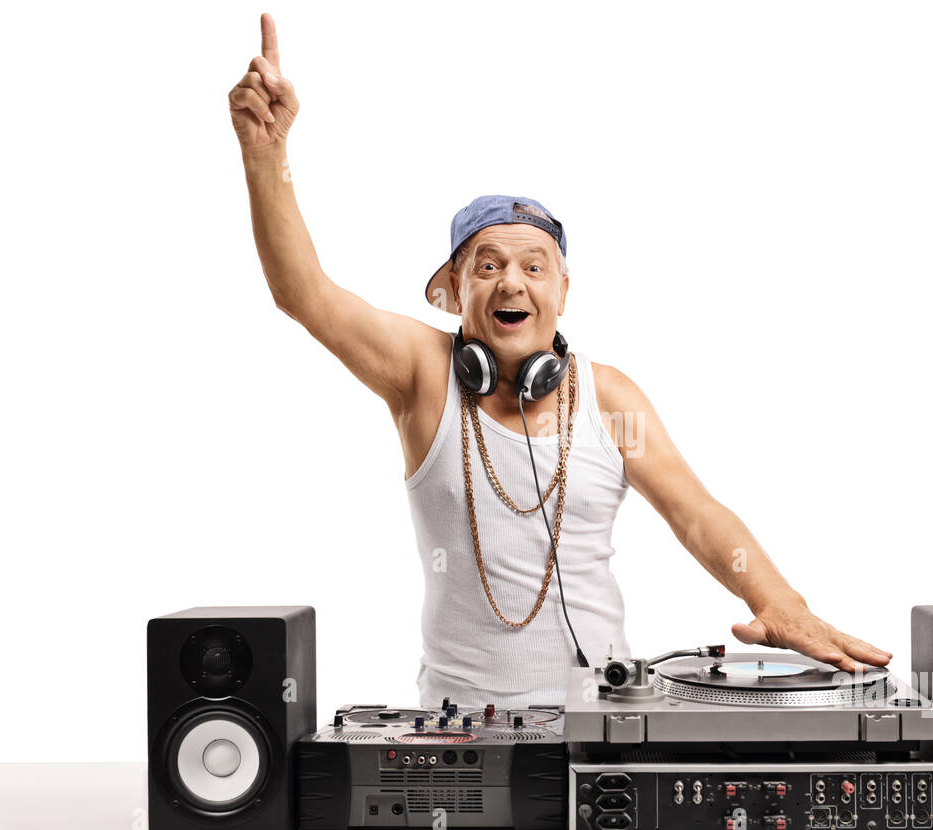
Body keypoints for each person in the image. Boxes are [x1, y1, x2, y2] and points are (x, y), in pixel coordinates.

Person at [229, 13, 893, 709]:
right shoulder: (421, 374)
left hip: (599, 722)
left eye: (533, 266)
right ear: (453, 292)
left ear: (562, 293)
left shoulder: (610, 401)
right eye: (487, 265)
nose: (512, 282)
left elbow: (697, 514)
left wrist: (782, 603)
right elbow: (304, 294)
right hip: (460, 727)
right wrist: (264, 154)